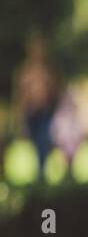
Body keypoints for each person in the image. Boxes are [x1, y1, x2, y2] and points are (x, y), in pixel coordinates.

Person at [16, 32, 60, 182]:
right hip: (32, 112)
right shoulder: (26, 71)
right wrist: (22, 117)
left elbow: (54, 92)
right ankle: (39, 174)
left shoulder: (48, 71)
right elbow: (21, 95)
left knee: (43, 142)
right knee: (36, 144)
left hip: (44, 112)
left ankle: (41, 174)